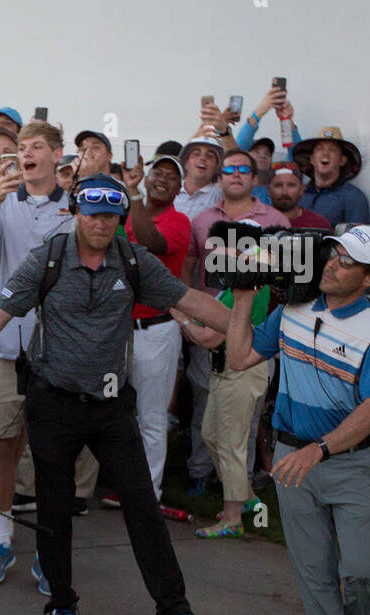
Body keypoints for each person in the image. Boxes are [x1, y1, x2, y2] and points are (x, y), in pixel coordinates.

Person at [0, 172, 230, 615]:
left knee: (142, 506)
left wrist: (254, 333)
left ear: (121, 219)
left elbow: (191, 299)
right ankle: (62, 607)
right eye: (92, 213)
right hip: (52, 401)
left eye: (111, 215)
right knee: (55, 507)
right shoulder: (47, 259)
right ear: (76, 213)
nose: (101, 223)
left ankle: (174, 611)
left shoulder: (134, 261)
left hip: (112, 407)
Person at [226, 226, 370, 615]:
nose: (331, 265)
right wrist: (244, 299)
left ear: (369, 278)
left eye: (346, 262)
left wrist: (319, 449)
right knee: (314, 569)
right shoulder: (291, 310)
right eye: (333, 255)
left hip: (346, 464)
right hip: (289, 458)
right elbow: (239, 356)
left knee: (364, 571)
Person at [0, 120, 73, 577]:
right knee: (1, 448)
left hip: (58, 348)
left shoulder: (75, 205)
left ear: (56, 155)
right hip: (6, 344)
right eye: (20, 148)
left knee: (52, 453)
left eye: (34, 148)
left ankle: (51, 554)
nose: (25, 154)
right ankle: (3, 542)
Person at [182, 150, 290, 495]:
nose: (237, 174)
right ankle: (216, 485)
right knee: (211, 425)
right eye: (229, 169)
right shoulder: (201, 221)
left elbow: (208, 337)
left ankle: (237, 504)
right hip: (214, 339)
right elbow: (189, 268)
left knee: (234, 435)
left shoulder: (271, 229)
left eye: (245, 169)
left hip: (242, 349)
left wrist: (176, 310)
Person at [102, 153, 193, 510]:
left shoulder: (179, 220)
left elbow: (151, 241)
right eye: (159, 172)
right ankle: (124, 485)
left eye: (172, 176)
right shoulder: (125, 212)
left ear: (180, 187)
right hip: (118, 328)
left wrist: (133, 191)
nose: (163, 179)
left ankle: (147, 494)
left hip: (156, 329)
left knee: (152, 416)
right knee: (116, 414)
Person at [293, 127, 370, 226]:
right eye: (320, 148)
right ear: (311, 159)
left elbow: (359, 239)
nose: (325, 153)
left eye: (332, 149)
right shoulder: (297, 195)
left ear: (342, 160)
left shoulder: (354, 197)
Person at [267, 162, 332, 231]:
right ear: (268, 190)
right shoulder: (256, 222)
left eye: (291, 185)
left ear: (301, 189)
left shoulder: (320, 225)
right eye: (278, 185)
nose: (284, 192)